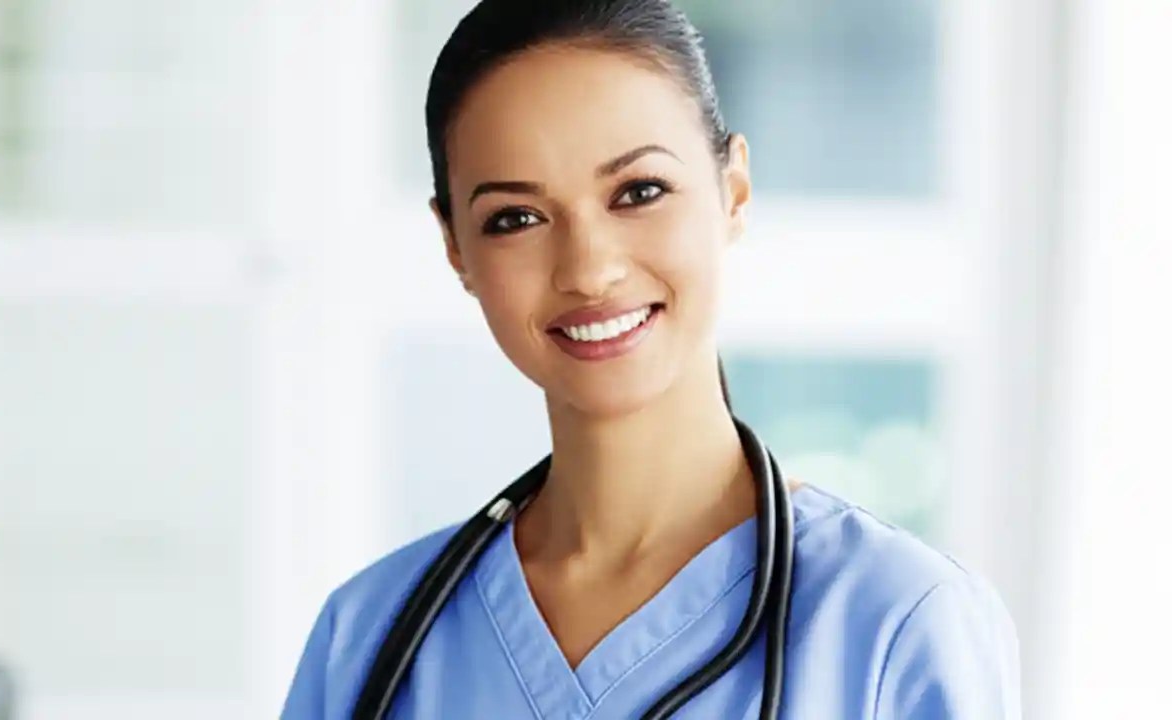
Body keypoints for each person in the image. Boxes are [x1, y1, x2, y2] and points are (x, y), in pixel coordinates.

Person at [282, 0, 1021, 717]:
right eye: (516, 218)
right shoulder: (370, 638)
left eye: (639, 191)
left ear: (732, 191)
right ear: (455, 247)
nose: (588, 269)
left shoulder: (894, 624)